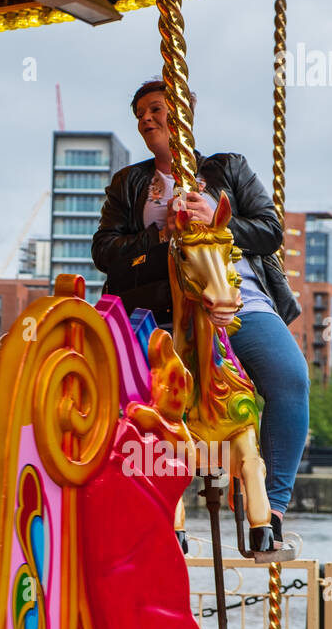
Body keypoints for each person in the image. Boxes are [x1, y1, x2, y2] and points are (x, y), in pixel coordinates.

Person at [92, 79, 307, 540]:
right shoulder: (129, 184)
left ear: (183, 111)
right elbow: (105, 252)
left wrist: (216, 223)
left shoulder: (228, 168)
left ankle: (273, 504)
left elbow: (270, 229)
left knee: (290, 378)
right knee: (121, 394)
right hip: (164, 311)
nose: (145, 120)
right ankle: (145, 506)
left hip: (235, 299)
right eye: (139, 115)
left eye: (154, 109)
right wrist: (160, 237)